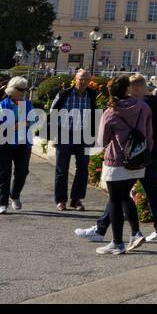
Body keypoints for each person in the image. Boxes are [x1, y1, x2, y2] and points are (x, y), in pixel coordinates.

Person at [77, 76, 157, 243]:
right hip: (151, 152)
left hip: (128, 155)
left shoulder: (130, 107)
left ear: (133, 88)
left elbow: (104, 138)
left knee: (118, 194)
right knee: (150, 191)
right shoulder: (155, 103)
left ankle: (103, 230)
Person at [90, 75, 151, 254]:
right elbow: (149, 135)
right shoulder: (143, 107)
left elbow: (102, 140)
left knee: (115, 200)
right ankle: (136, 232)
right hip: (138, 159)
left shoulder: (111, 112)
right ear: (128, 89)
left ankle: (117, 242)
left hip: (116, 160)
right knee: (125, 196)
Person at [51, 68, 98, 210]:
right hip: (64, 133)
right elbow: (53, 113)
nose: (83, 82)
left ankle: (76, 200)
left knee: (83, 168)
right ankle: (61, 200)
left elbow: (94, 114)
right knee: (62, 168)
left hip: (84, 134)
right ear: (75, 79)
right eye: (81, 78)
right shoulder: (64, 94)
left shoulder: (91, 94)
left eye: (86, 79)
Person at [0, 77, 40, 214]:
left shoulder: (27, 104)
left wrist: (19, 124)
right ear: (13, 90)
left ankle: (15, 195)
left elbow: (34, 120)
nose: (24, 92)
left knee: (22, 172)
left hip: (23, 143)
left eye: (25, 89)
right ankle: (2, 202)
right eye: (21, 89)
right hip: (4, 143)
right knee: (4, 173)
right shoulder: (3, 104)